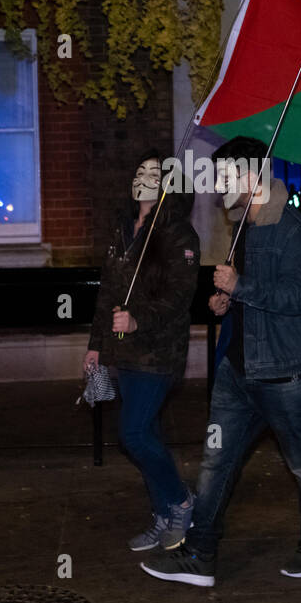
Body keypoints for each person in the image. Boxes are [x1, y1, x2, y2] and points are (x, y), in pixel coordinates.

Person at [141, 137, 301, 586]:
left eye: (227, 177)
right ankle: (201, 555)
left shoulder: (292, 230)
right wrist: (229, 300)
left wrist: (242, 286)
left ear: (253, 176)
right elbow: (250, 293)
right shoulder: (243, 222)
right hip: (238, 370)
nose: (220, 187)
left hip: (285, 375)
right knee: (216, 462)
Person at [86, 150, 200, 552]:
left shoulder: (177, 235)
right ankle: (162, 515)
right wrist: (97, 346)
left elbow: (178, 296)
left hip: (158, 352)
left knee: (132, 433)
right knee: (146, 433)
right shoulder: (124, 229)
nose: (145, 177)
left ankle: (183, 500)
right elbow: (108, 292)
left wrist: (137, 319)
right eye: (140, 169)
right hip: (125, 353)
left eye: (155, 172)